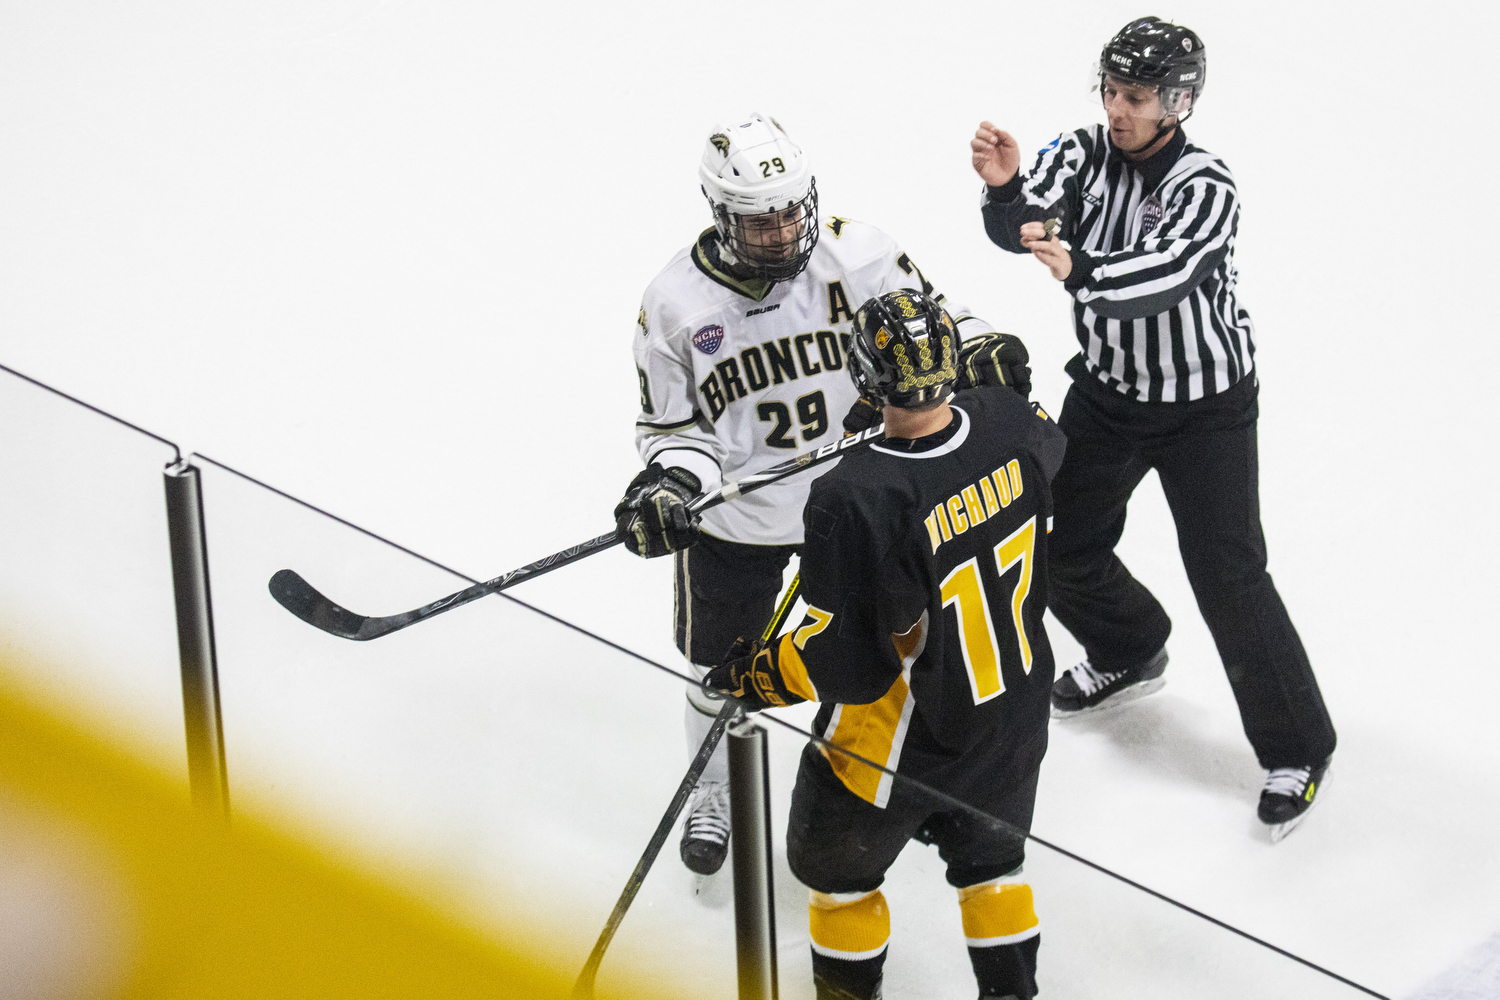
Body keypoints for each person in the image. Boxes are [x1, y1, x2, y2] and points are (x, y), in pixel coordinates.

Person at [614, 114, 1030, 875]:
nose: (781, 234)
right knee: (719, 669)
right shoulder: (673, 304)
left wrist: (979, 343)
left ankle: (882, 787)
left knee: (876, 655)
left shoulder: (859, 253)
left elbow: (932, 321)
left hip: (859, 505)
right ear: (718, 213)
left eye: (790, 213)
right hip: (740, 522)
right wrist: (674, 481)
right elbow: (672, 428)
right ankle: (713, 789)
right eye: (759, 222)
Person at [970, 16, 1336, 840]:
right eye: (1108, 90)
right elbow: (1026, 222)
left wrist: (1083, 267)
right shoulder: (1083, 150)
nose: (1116, 109)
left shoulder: (1208, 184)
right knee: (1055, 538)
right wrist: (1004, 192)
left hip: (1207, 407)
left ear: (1178, 101)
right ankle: (1130, 646)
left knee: (1229, 574)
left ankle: (1299, 745)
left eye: (1133, 96)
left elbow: (1163, 277)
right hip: (1109, 391)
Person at [705, 289, 1065, 1000]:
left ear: (864, 377)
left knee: (840, 883)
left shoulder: (858, 493)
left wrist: (762, 674)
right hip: (1011, 720)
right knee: (993, 869)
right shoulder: (1010, 423)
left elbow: (850, 661)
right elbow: (1038, 437)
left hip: (894, 748)